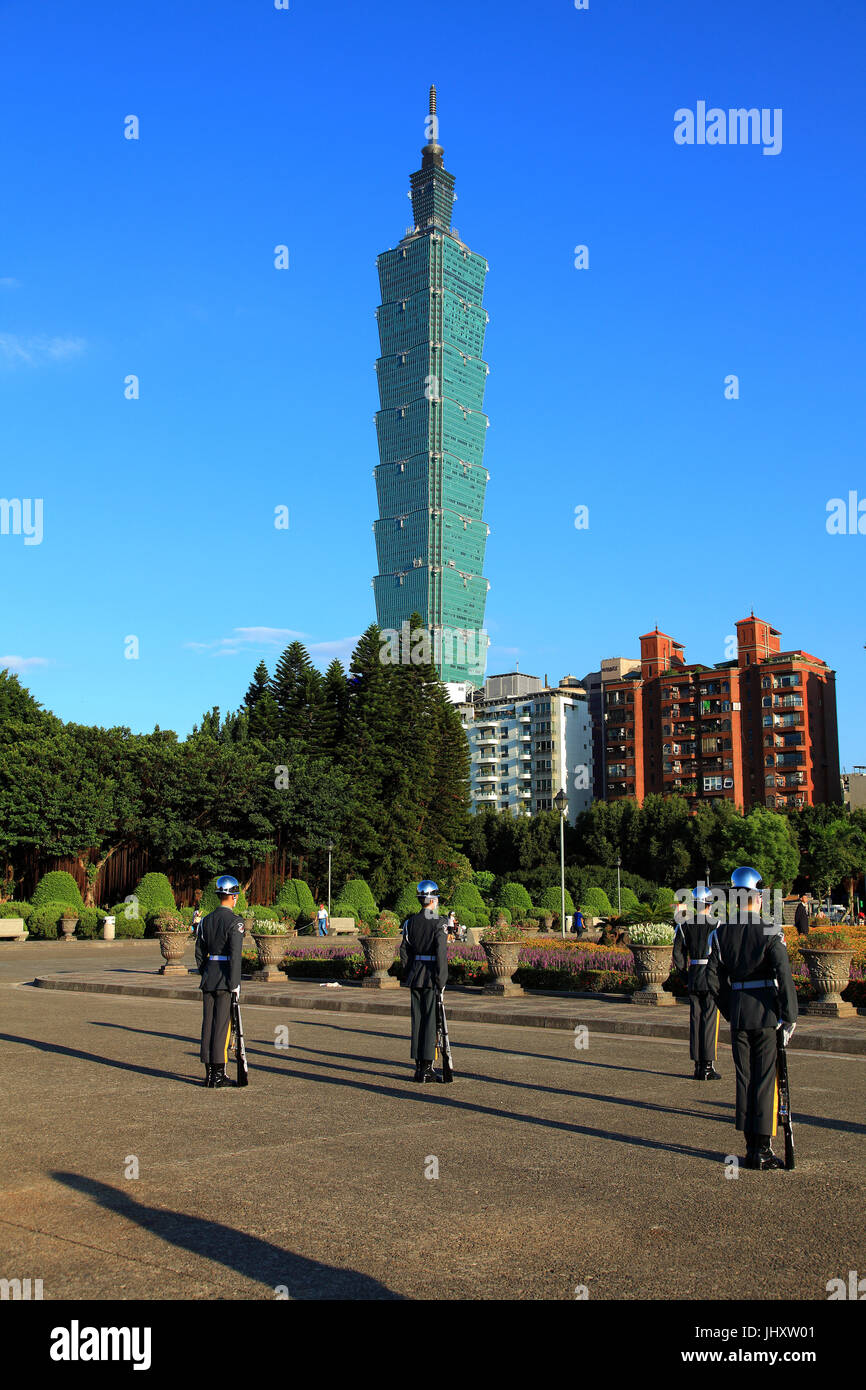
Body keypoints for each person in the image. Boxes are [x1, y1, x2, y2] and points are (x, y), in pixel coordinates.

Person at [706, 866, 798, 1171]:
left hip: (740, 1015)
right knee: (764, 1081)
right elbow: (784, 975)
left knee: (744, 1080)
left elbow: (713, 981)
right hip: (767, 1013)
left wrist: (731, 1009)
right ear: (758, 898)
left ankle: (749, 1147)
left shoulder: (720, 932)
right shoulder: (771, 929)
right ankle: (762, 1149)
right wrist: (789, 1016)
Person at [195, 874, 245, 1088]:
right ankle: (218, 1074)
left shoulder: (205, 920)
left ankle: (209, 1073)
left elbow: (199, 953)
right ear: (233, 897)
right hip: (225, 978)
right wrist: (235, 983)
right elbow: (235, 956)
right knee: (223, 1027)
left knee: (208, 1024)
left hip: (209, 976)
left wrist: (206, 972)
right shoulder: (235, 922)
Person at [399, 879, 448, 1083]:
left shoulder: (411, 921)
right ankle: (427, 1067)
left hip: (415, 974)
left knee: (417, 1021)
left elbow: (404, 951)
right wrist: (441, 979)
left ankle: (418, 1067)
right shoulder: (438, 921)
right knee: (430, 1022)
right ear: (433, 899)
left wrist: (409, 972)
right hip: (430, 976)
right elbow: (441, 953)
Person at [673, 886, 721, 1080]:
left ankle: (697, 1065)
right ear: (709, 905)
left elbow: (678, 954)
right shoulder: (717, 924)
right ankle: (708, 1066)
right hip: (710, 976)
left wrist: (685, 975)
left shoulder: (683, 925)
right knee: (709, 1021)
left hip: (694, 975)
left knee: (695, 1020)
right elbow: (721, 953)